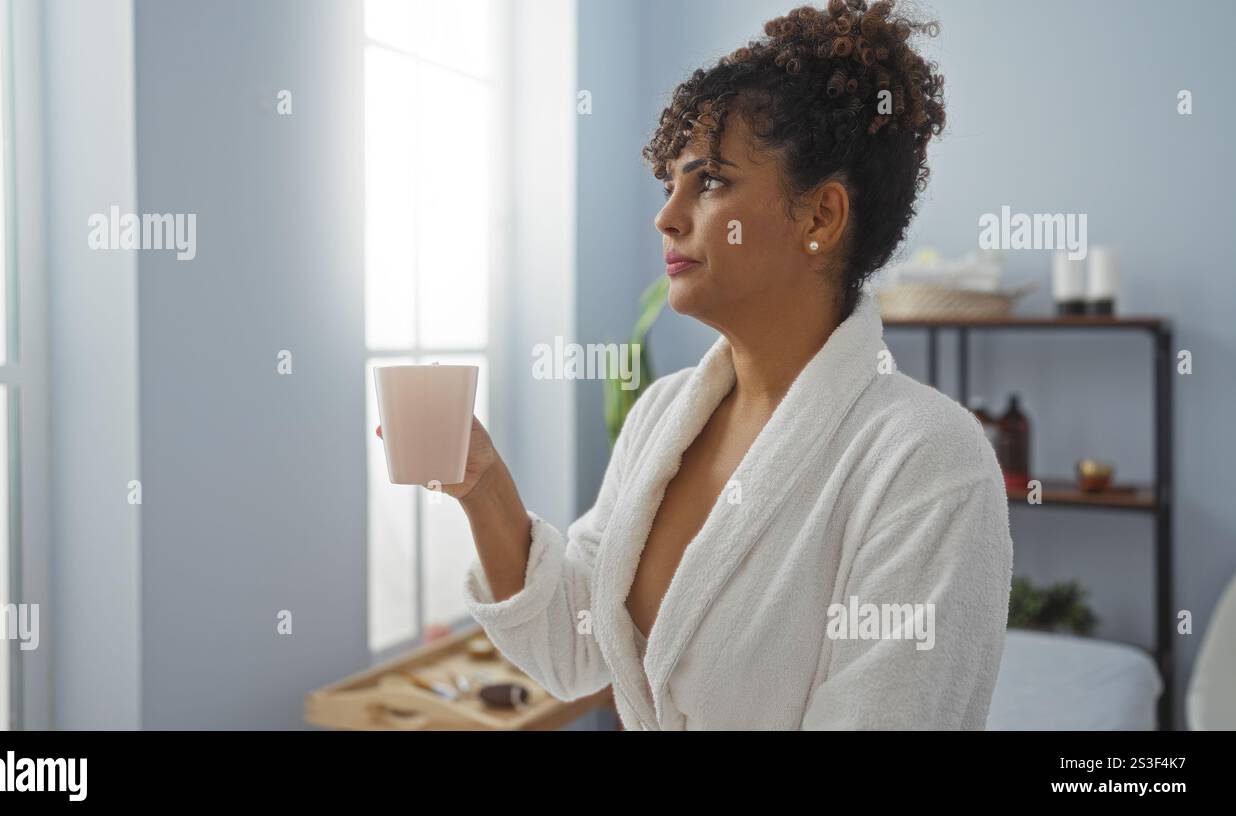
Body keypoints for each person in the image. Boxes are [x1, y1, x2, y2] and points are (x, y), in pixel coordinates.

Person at [377, 0, 1013, 730]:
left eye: (709, 181)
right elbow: (573, 645)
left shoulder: (928, 462)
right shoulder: (662, 417)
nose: (667, 215)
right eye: (669, 183)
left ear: (820, 217)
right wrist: (484, 487)